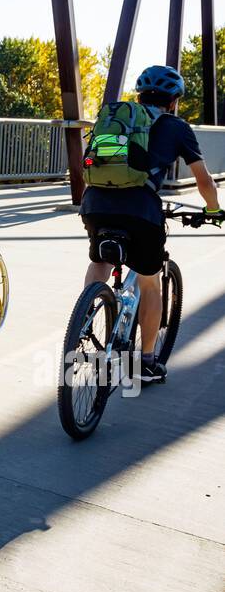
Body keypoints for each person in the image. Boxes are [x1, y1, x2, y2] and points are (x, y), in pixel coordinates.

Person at [79, 64, 222, 384]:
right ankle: (145, 362)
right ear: (174, 101)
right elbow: (203, 180)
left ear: (140, 95)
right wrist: (213, 210)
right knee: (149, 280)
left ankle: (85, 319)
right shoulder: (176, 127)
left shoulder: (116, 118)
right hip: (141, 211)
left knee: (100, 259)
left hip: (95, 204)